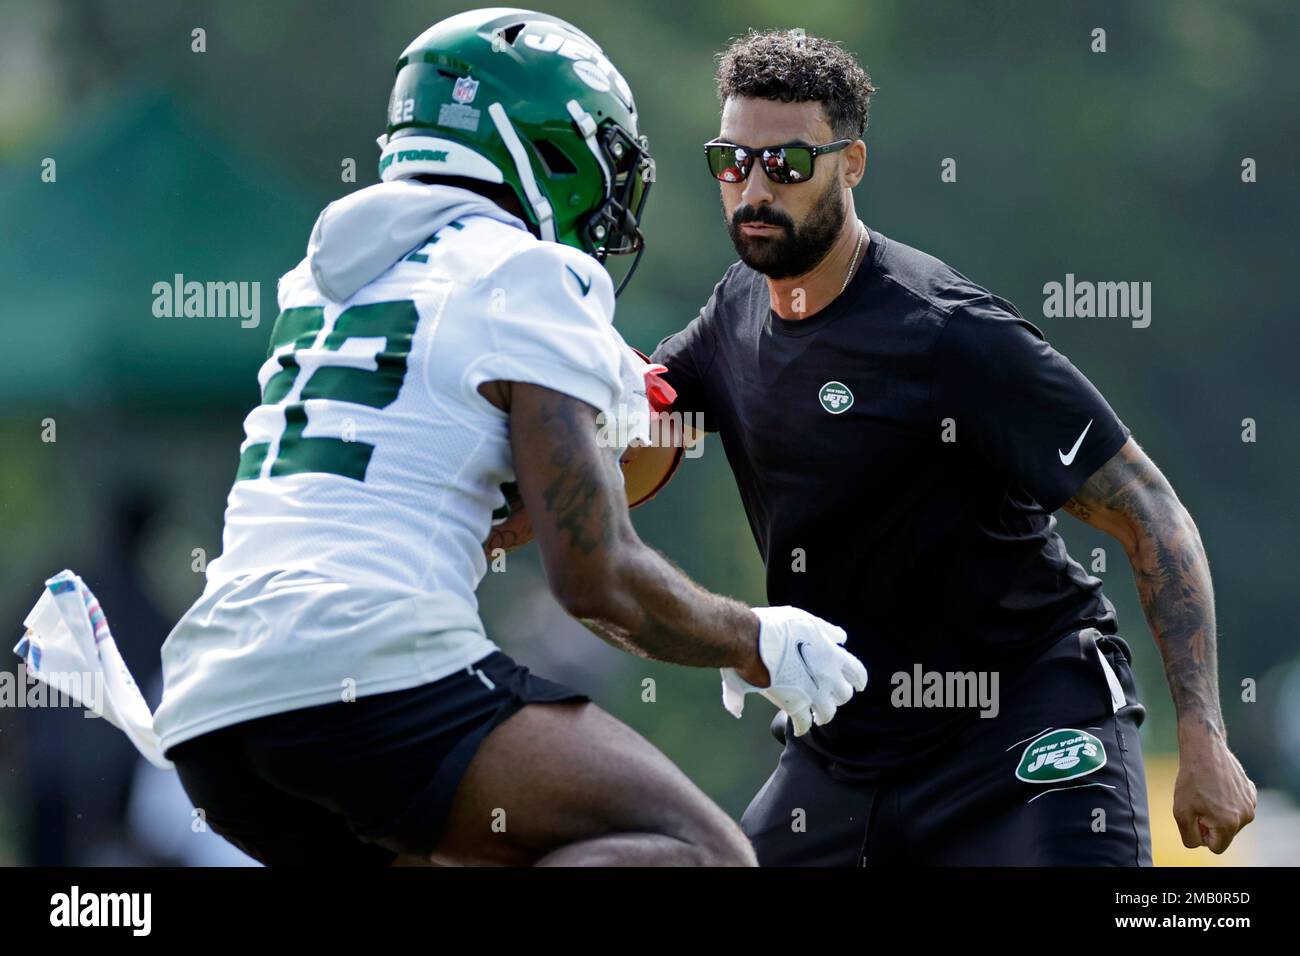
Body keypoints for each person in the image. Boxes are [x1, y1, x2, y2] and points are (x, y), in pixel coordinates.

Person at [150, 10, 865, 867]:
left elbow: (421, 485)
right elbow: (597, 580)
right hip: (365, 666)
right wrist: (754, 639)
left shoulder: (325, 283)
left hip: (210, 701)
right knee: (698, 852)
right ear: (544, 145)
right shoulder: (524, 272)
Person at [652, 28, 1256, 865]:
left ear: (850, 163)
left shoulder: (948, 333)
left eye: (786, 163)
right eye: (732, 161)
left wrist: (1204, 735)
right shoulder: (735, 308)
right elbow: (636, 423)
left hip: (1025, 724)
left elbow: (1153, 511)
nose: (754, 188)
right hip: (846, 748)